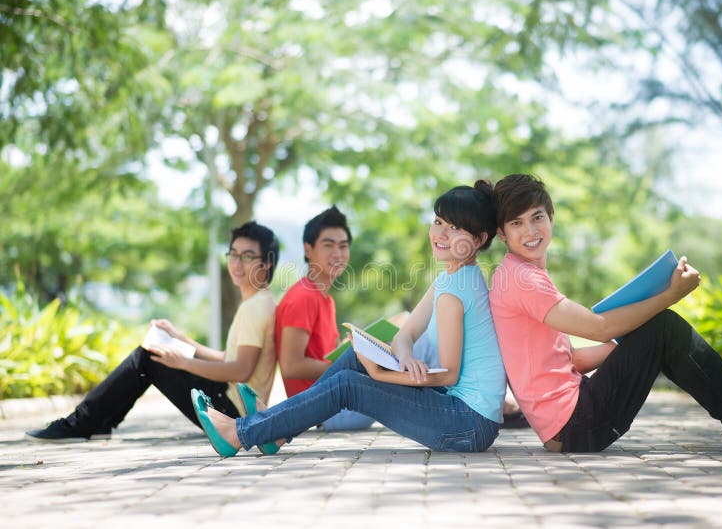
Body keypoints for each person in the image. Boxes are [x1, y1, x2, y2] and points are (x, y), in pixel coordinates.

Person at [190, 181, 507, 457]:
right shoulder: (449, 279)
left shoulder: (456, 290)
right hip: (458, 413)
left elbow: (448, 376)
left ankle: (240, 433)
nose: (440, 234)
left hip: (468, 424)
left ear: (478, 240)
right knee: (356, 356)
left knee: (348, 385)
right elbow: (405, 334)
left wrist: (380, 373)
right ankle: (276, 429)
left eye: (454, 228)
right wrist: (404, 356)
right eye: (438, 222)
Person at [488, 173, 722, 453]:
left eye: (537, 217)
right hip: (575, 424)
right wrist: (670, 295)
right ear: (502, 233)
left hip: (569, 424)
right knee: (663, 327)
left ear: (551, 217)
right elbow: (598, 328)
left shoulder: (518, 274)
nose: (530, 230)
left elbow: (572, 360)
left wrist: (632, 345)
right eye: (517, 223)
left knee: (655, 330)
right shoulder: (522, 280)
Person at [25, 221, 280, 442]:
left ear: (266, 263)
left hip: (232, 413)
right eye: (233, 254)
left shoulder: (255, 308)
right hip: (234, 405)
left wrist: (183, 363)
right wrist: (181, 338)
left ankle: (81, 424)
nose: (237, 263)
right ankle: (95, 422)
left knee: (147, 358)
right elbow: (229, 358)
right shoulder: (259, 302)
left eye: (247, 256)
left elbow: (240, 370)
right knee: (153, 355)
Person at [272, 206, 374, 432]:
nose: (338, 253)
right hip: (322, 411)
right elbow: (291, 366)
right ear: (308, 250)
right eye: (328, 245)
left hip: (336, 403)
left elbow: (325, 357)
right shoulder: (303, 297)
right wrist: (349, 365)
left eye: (343, 246)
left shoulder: (325, 299)